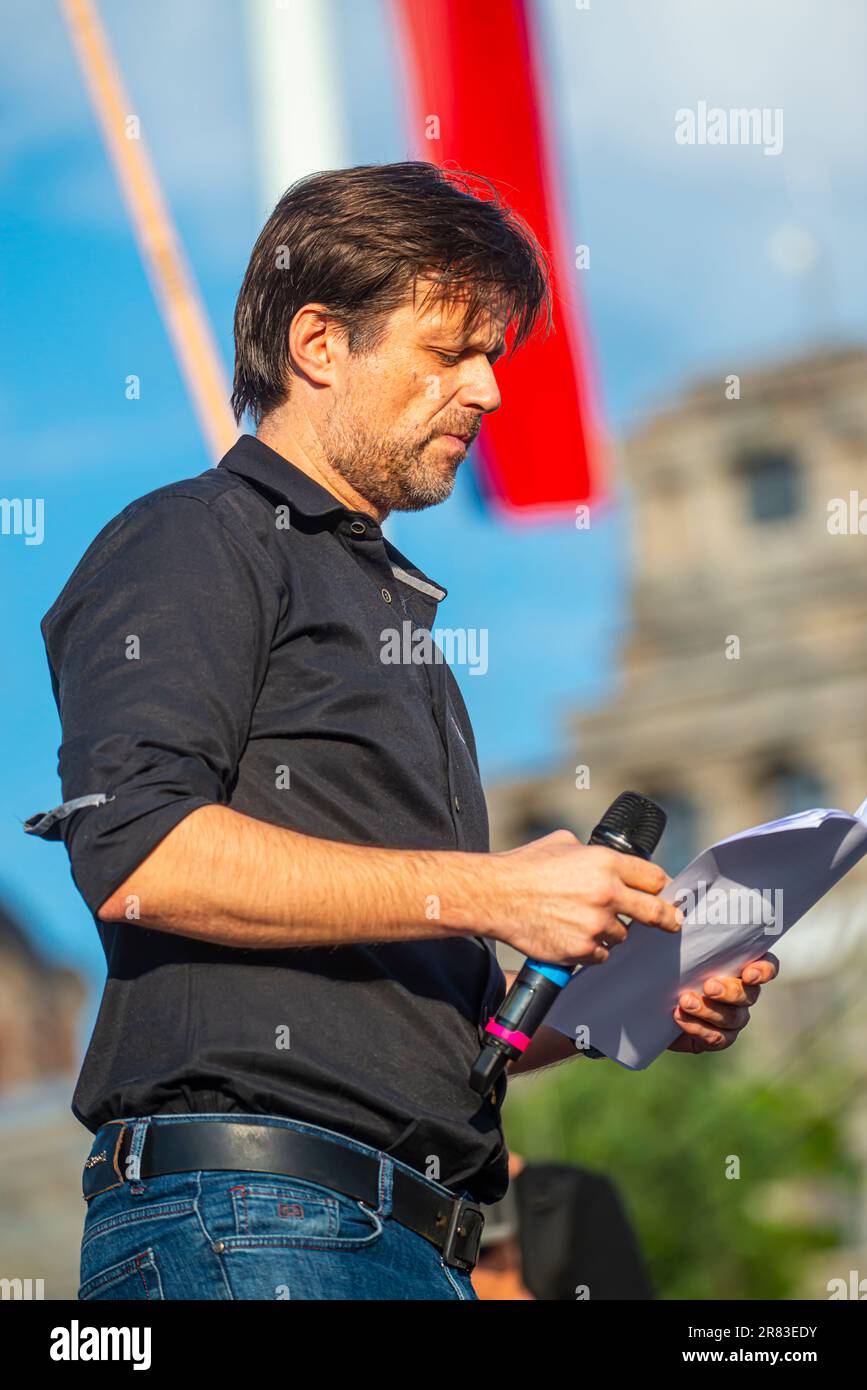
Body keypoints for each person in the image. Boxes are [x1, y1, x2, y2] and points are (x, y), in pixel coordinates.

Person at [27, 162, 777, 1301]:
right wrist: (496, 892)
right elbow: (139, 857)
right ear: (320, 344)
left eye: (496, 357)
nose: (487, 391)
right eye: (450, 351)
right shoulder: (194, 538)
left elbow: (428, 1009)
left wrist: (630, 1005)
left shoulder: (392, 617)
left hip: (403, 1236)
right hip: (253, 1220)